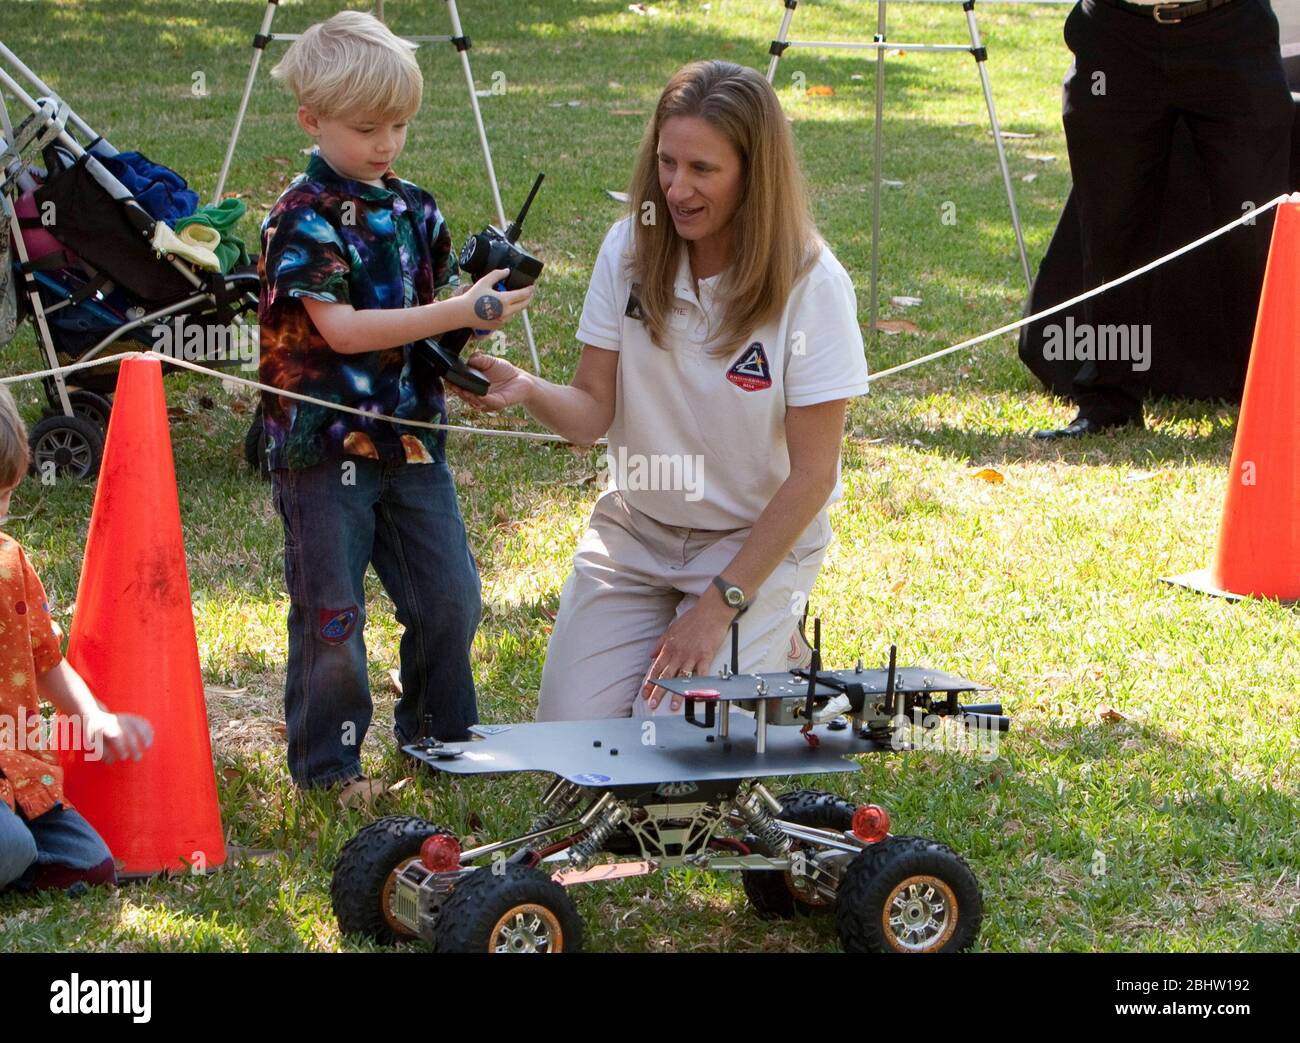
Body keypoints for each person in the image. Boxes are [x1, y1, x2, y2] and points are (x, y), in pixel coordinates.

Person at [452, 60, 870, 720]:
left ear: (753, 176)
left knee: (676, 743)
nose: (677, 188)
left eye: (703, 169)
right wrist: (527, 388)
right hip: (636, 530)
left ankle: (773, 640)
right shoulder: (627, 249)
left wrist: (715, 608)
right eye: (668, 163)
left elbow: (814, 476)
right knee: (573, 744)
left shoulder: (811, 282)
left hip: (749, 537)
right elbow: (592, 414)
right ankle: (745, 650)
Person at [258, 11, 534, 786]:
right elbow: (342, 331)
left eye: (400, 125)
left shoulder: (416, 209)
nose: (385, 143)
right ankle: (327, 767)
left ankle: (443, 741)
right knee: (334, 618)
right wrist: (459, 310)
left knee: (451, 599)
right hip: (323, 449)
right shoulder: (300, 217)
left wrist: (460, 367)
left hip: (413, 443)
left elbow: (418, 325)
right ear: (311, 119)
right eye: (366, 126)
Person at [1033, 0, 1294, 439]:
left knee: (1255, 235)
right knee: (1111, 231)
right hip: (1116, 35)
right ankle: (1108, 403)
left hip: (1231, 28)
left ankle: (1271, 406)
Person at [0, 385, 154, 894]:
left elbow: (45, 661)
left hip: (16, 772)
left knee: (89, 864)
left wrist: (94, 718)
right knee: (14, 849)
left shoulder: (9, 562)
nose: (1, 515)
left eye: (4, 497)